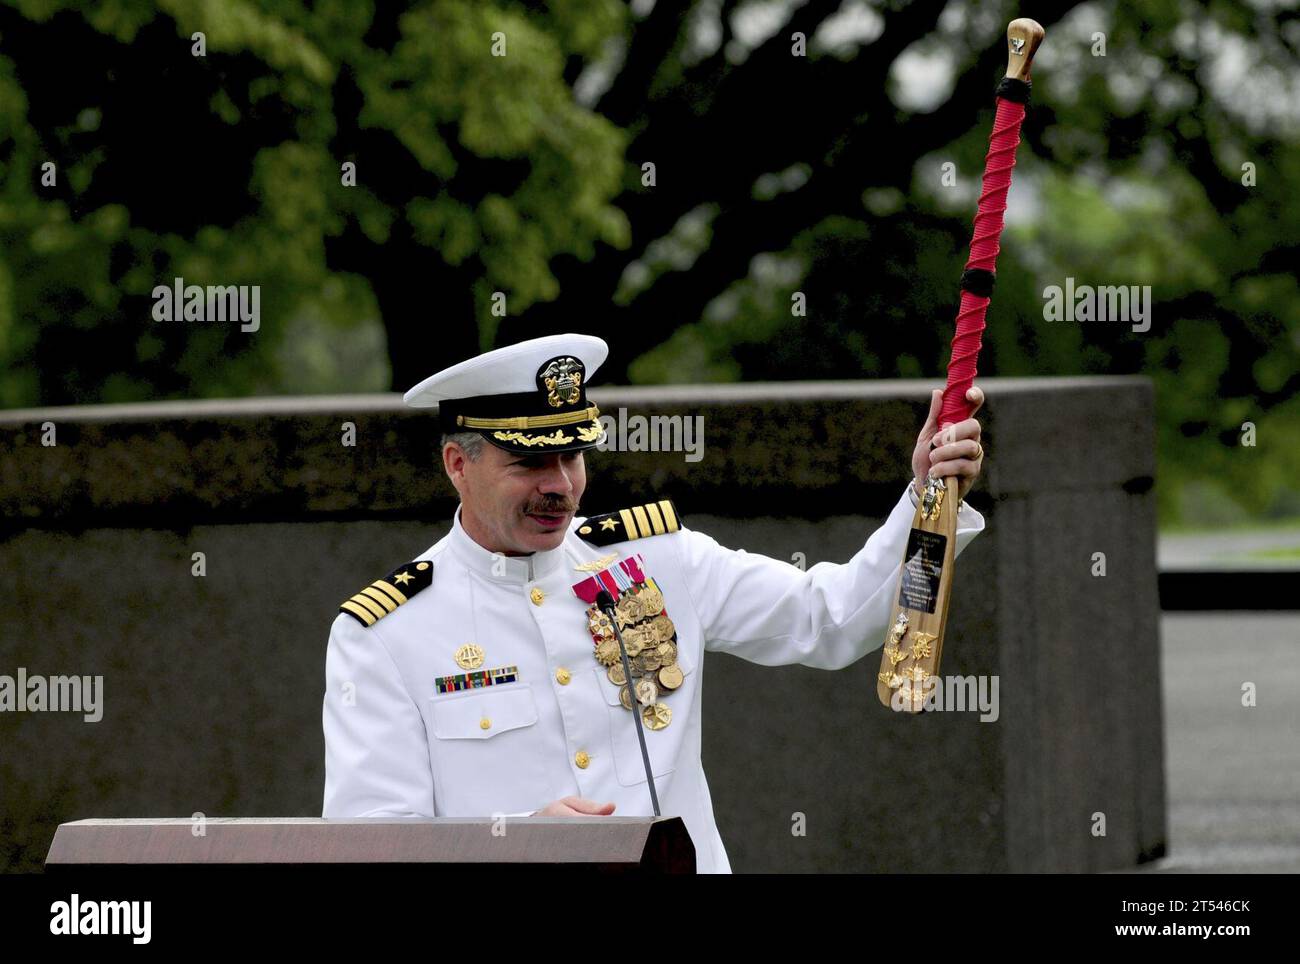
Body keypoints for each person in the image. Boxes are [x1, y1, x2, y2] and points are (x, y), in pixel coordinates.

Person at [321, 333, 986, 873]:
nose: (560, 486)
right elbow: (370, 851)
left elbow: (831, 617)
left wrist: (928, 499)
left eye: (573, 456)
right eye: (529, 464)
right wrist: (514, 845)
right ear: (457, 466)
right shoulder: (384, 632)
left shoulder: (658, 561)